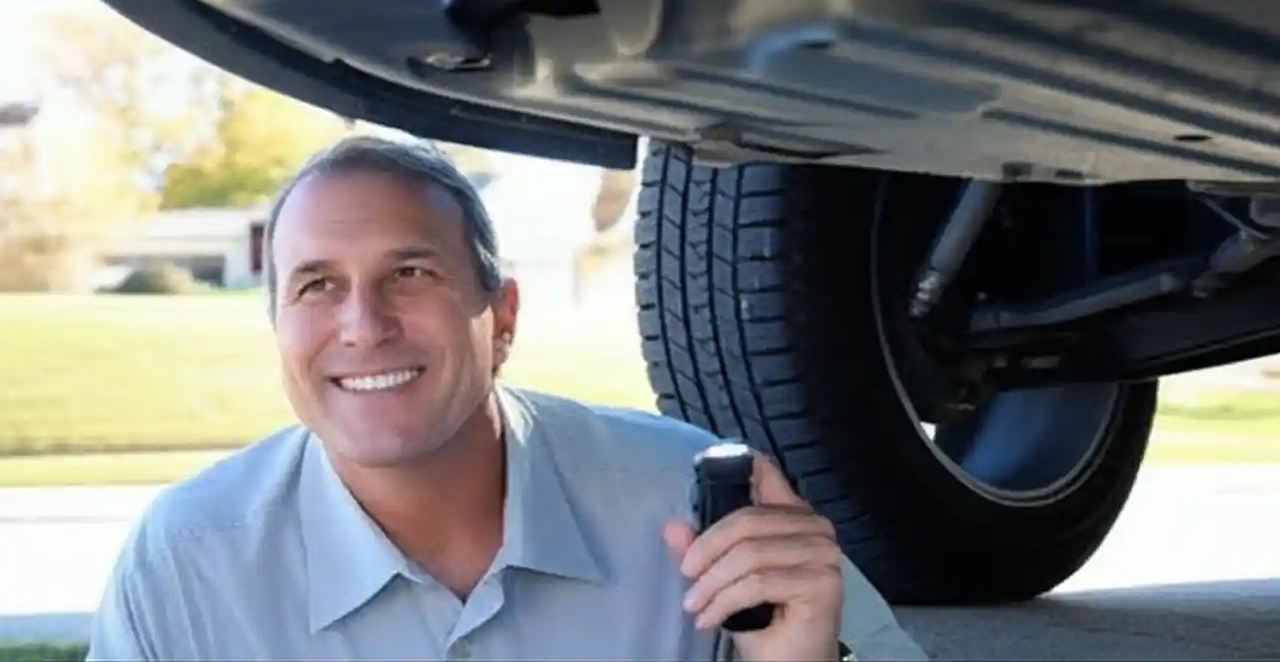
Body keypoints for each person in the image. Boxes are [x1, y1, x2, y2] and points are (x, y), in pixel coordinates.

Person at [87, 135, 928, 661]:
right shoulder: (185, 566)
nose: (363, 324)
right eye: (316, 286)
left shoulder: (703, 509)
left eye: (409, 273)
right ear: (277, 328)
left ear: (503, 316)